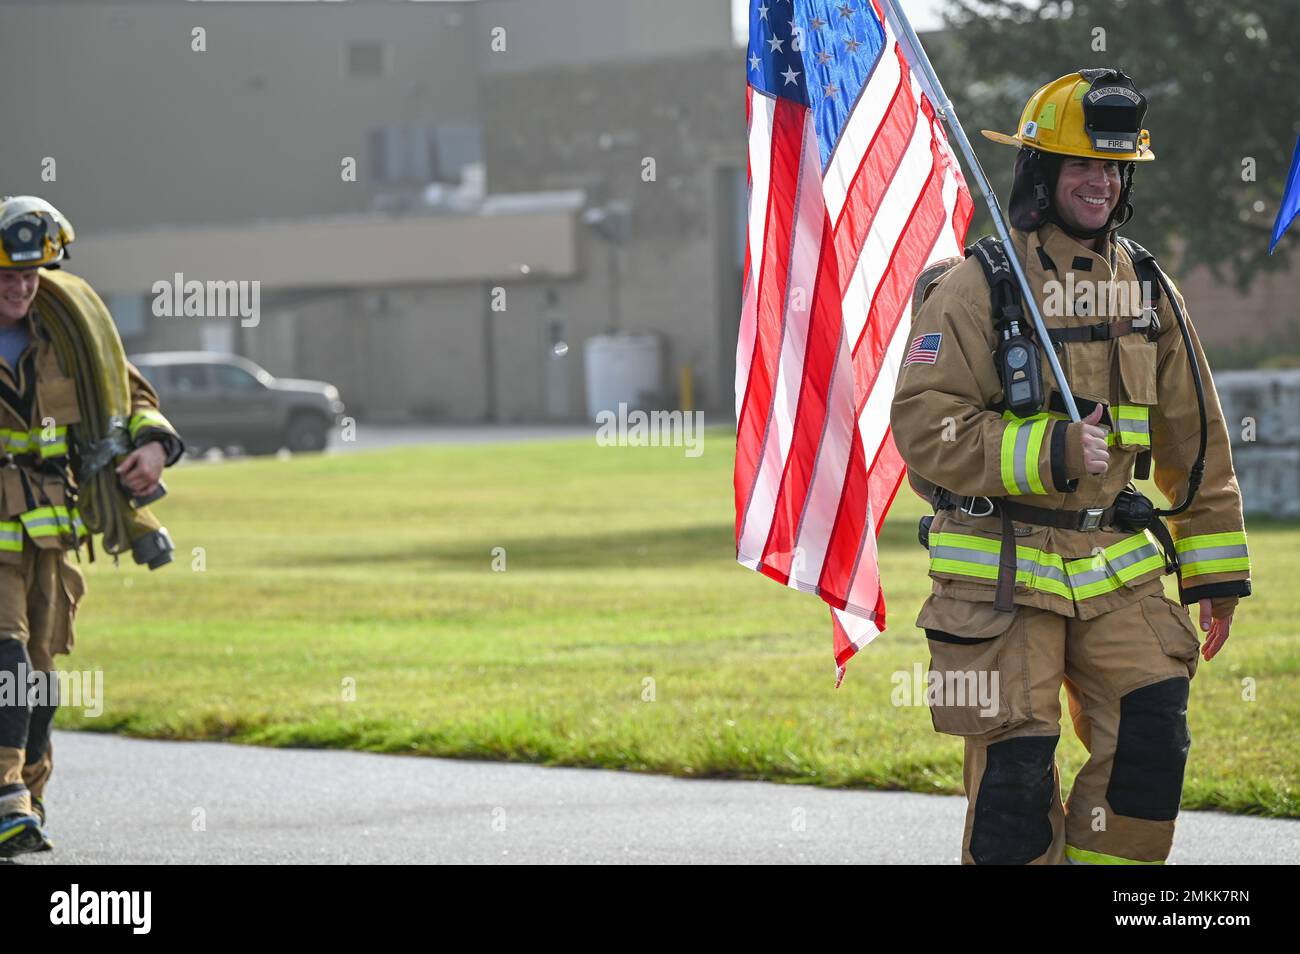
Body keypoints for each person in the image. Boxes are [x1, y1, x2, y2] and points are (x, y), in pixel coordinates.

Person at [890, 70, 1251, 865]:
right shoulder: (977, 284)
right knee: (1015, 777)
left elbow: (1196, 441)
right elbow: (921, 424)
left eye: (1114, 168)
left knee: (1154, 732)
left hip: (1111, 565)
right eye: (1081, 165)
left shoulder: (1147, 286)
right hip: (997, 570)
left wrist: (1214, 576)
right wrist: (1049, 451)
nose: (1101, 181)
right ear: (1040, 175)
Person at [0, 196, 184, 857]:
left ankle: (28, 800)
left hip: (49, 535)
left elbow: (129, 396)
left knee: (41, 682)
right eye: (5, 278)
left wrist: (152, 446)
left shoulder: (71, 331)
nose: (20, 289)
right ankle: (5, 799)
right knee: (8, 660)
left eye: (29, 276)